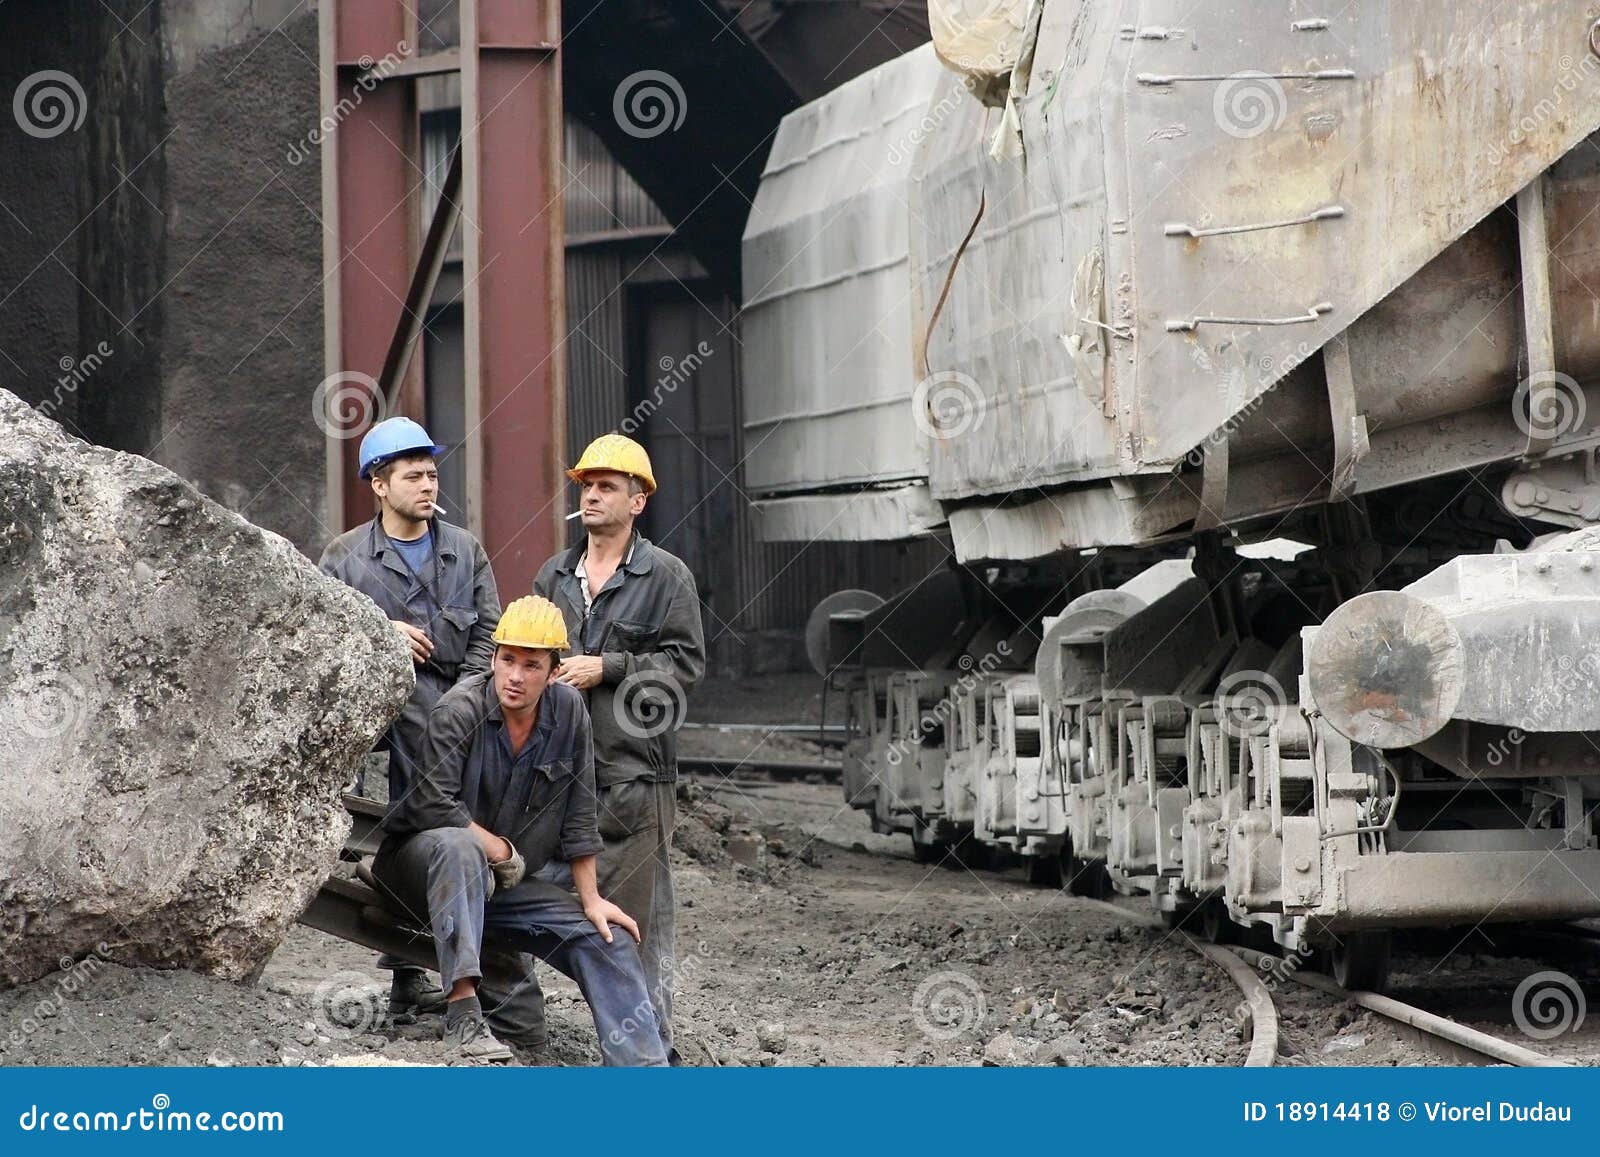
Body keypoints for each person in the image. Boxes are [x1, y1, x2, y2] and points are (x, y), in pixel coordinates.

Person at [318, 416, 543, 1043]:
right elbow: (318, 639)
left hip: (465, 719)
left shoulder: (463, 550)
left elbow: (490, 640)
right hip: (386, 726)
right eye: (412, 476)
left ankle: (471, 968)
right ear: (378, 486)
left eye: (432, 473)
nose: (427, 484)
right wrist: (380, 633)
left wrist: (462, 705)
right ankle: (409, 966)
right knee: (425, 830)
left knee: (460, 830)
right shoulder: (344, 558)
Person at [371, 596, 667, 1066]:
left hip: (501, 889)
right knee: (460, 844)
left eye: (532, 665)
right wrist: (498, 848)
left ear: (553, 673)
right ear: (492, 658)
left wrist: (591, 899)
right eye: (507, 659)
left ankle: (642, 1067)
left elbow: (579, 809)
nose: (515, 675)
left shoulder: (568, 711)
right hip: (420, 875)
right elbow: (431, 805)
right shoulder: (459, 710)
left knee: (607, 937)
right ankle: (463, 1014)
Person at [533, 433, 706, 1062]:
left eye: (607, 487)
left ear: (638, 502)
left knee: (636, 927)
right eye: (587, 486)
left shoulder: (665, 577)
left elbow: (685, 669)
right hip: (560, 776)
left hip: (635, 780)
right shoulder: (553, 575)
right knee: (530, 897)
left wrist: (606, 667)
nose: (593, 495)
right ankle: (525, 1030)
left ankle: (646, 1055)